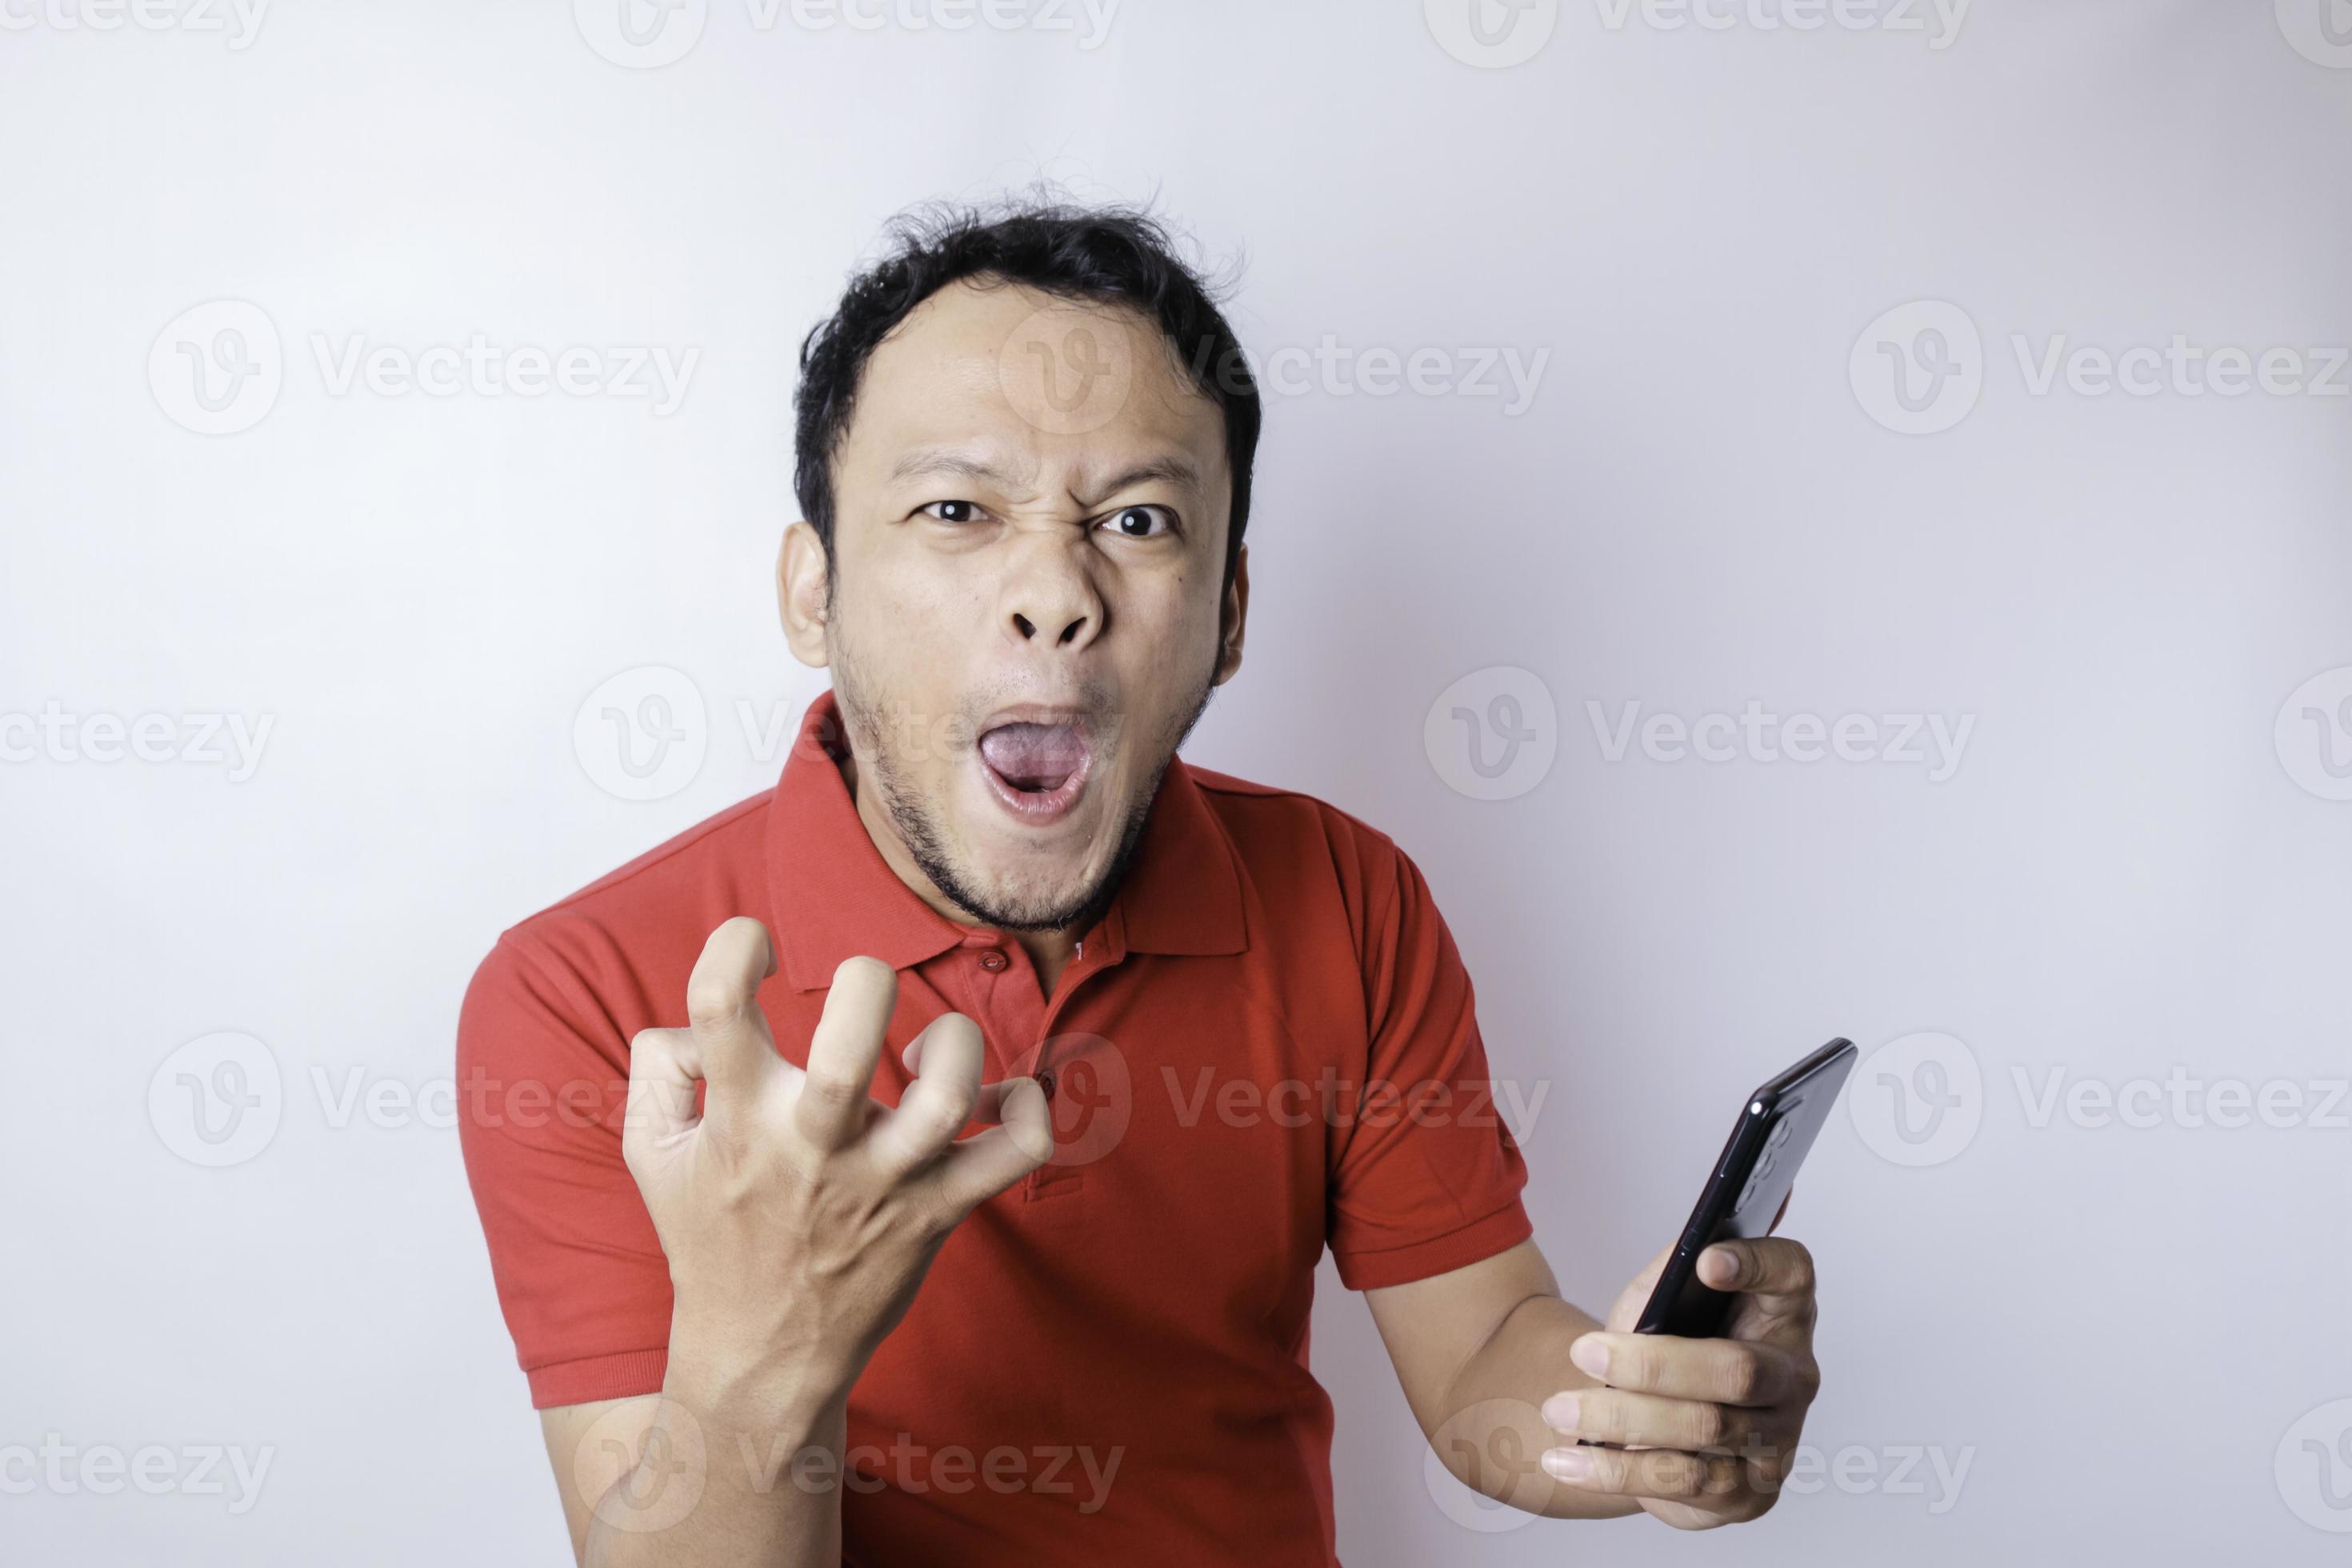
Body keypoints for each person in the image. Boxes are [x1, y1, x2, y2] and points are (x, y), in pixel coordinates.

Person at [456, 198, 1823, 1566]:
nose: (1056, 590)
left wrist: (1646, 1416)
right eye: (955, 508)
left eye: (1136, 519)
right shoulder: (582, 997)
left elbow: (1479, 1372)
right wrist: (764, 1341)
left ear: (1228, 616)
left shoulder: (1346, 895)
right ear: (814, 593)